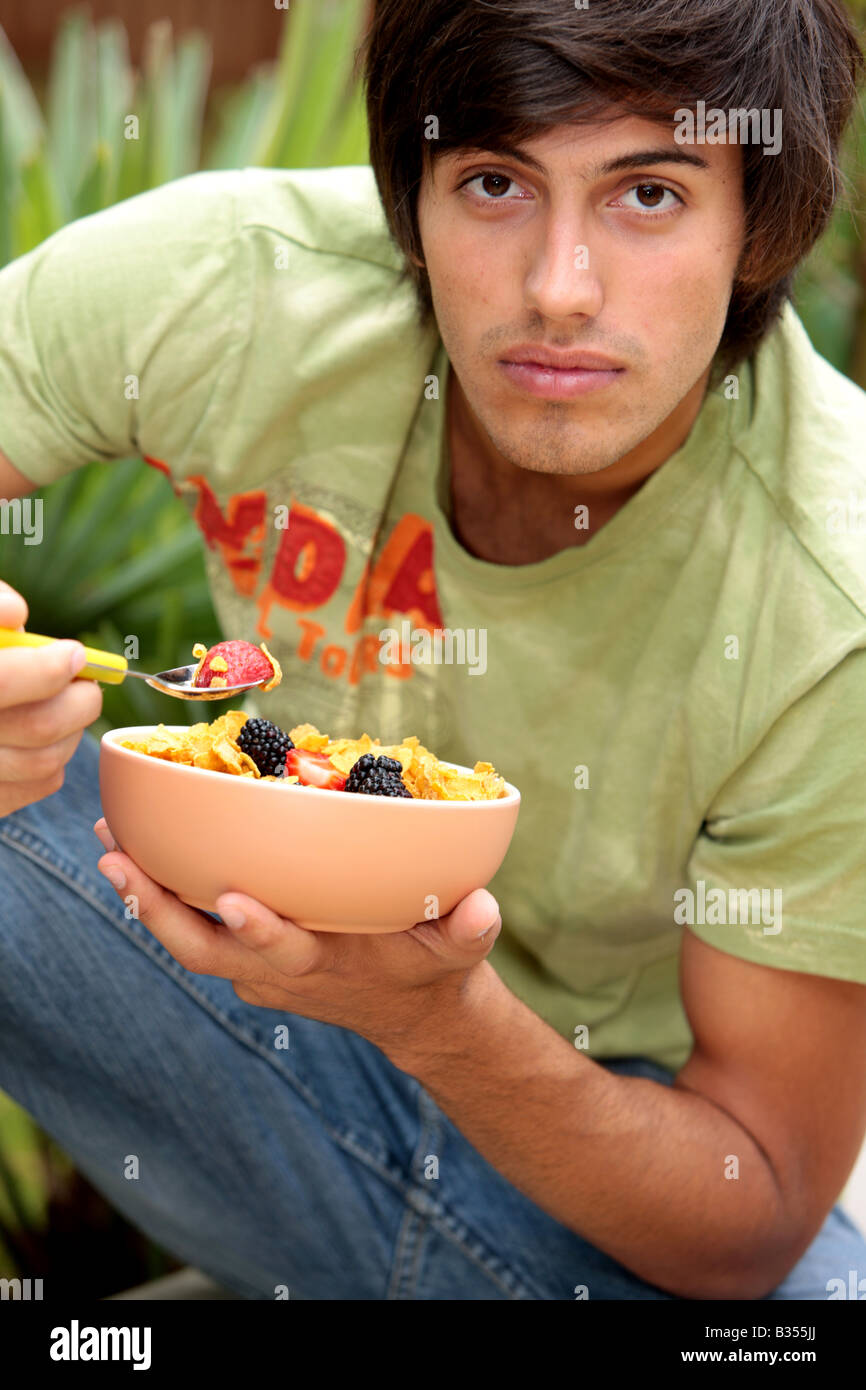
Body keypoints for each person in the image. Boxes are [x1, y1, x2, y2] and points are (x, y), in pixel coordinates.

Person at [1, 0, 865, 1301]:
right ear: (409, 196)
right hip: (226, 969)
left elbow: (747, 1210)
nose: (556, 289)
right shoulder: (230, 285)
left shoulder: (832, 594)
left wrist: (431, 1016)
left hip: (598, 1125)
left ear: (762, 220)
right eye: (495, 181)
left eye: (646, 192)